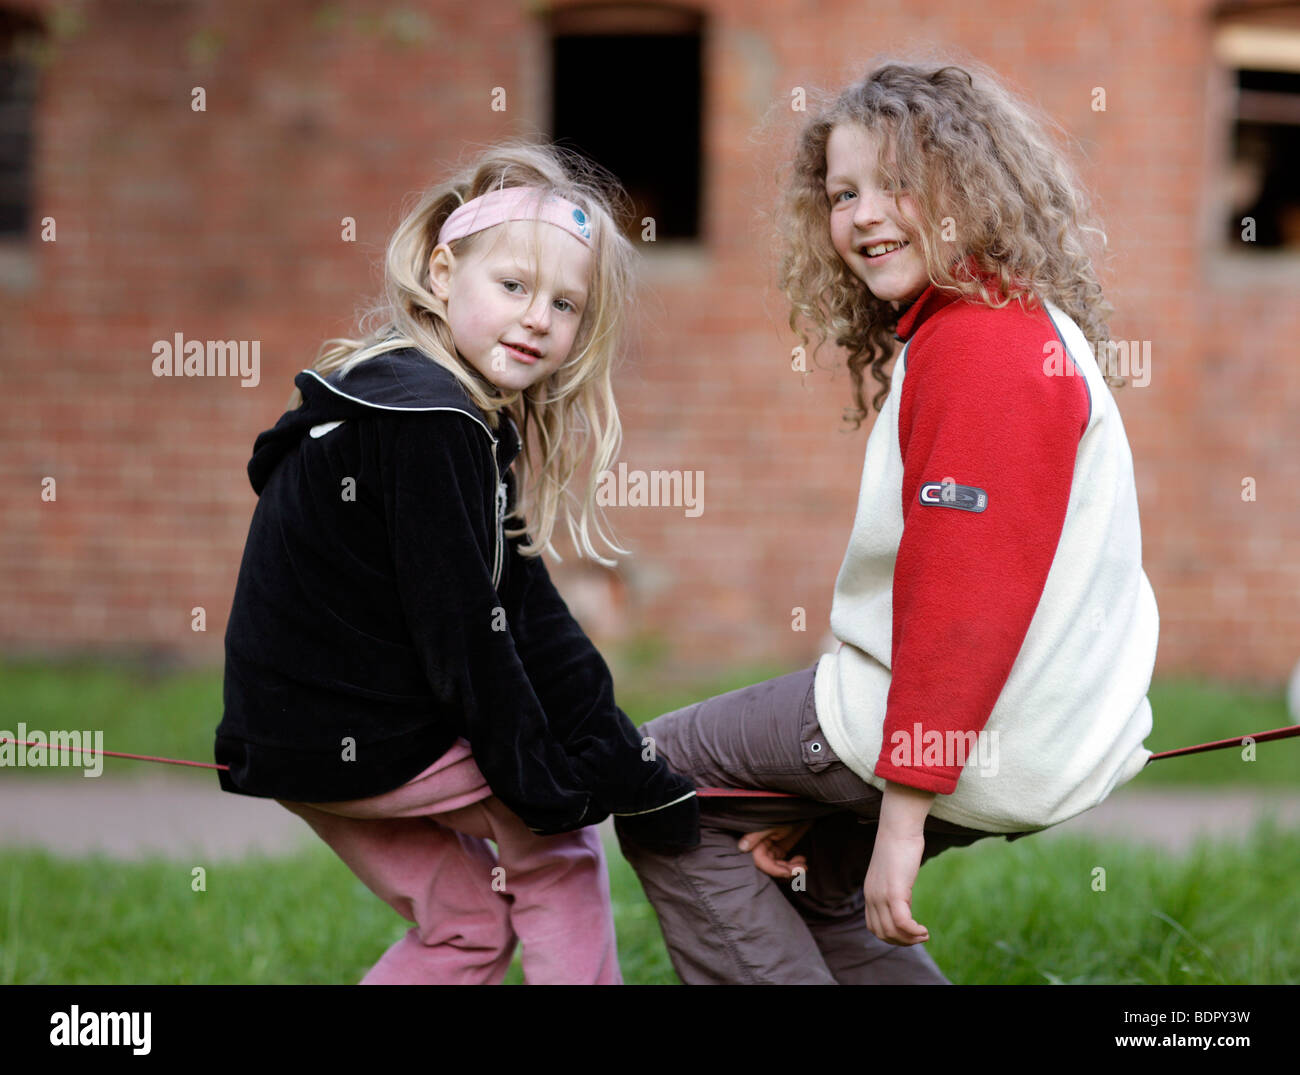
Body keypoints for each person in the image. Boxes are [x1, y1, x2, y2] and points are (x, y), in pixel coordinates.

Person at [615, 58, 1159, 984]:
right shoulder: (1012, 325)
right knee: (796, 884)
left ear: (970, 191)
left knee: (659, 778)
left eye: (899, 184)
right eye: (842, 193)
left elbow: (966, 595)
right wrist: (831, 808)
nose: (863, 214)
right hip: (1044, 735)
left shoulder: (981, 350)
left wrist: (899, 814)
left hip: (966, 732)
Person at [214, 141, 700, 985]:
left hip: (287, 736)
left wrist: (622, 756)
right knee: (556, 849)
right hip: (356, 726)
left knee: (468, 921)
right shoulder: (430, 421)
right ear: (444, 274)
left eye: (565, 303)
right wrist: (542, 783)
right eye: (513, 286)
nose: (538, 317)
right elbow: (466, 632)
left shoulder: (418, 400)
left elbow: (525, 601)